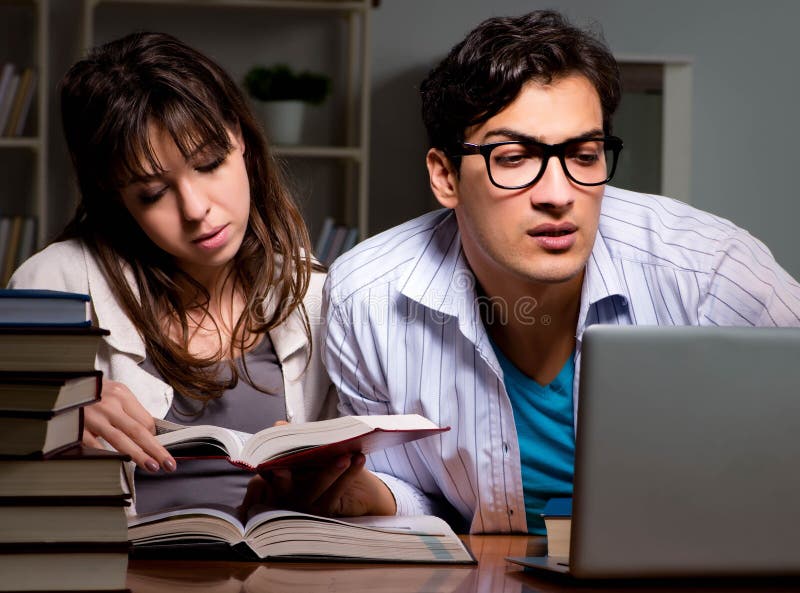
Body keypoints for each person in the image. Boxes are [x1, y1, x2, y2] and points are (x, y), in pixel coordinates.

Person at [302, 10, 800, 533]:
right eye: (514, 157)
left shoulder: (706, 268)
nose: (559, 195)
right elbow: (413, 492)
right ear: (445, 176)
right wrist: (366, 496)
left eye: (584, 155)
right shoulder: (368, 295)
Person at [8, 31, 336, 513]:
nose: (196, 209)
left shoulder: (317, 293)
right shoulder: (52, 284)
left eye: (209, 164)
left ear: (240, 140)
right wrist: (53, 415)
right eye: (153, 193)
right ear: (117, 198)